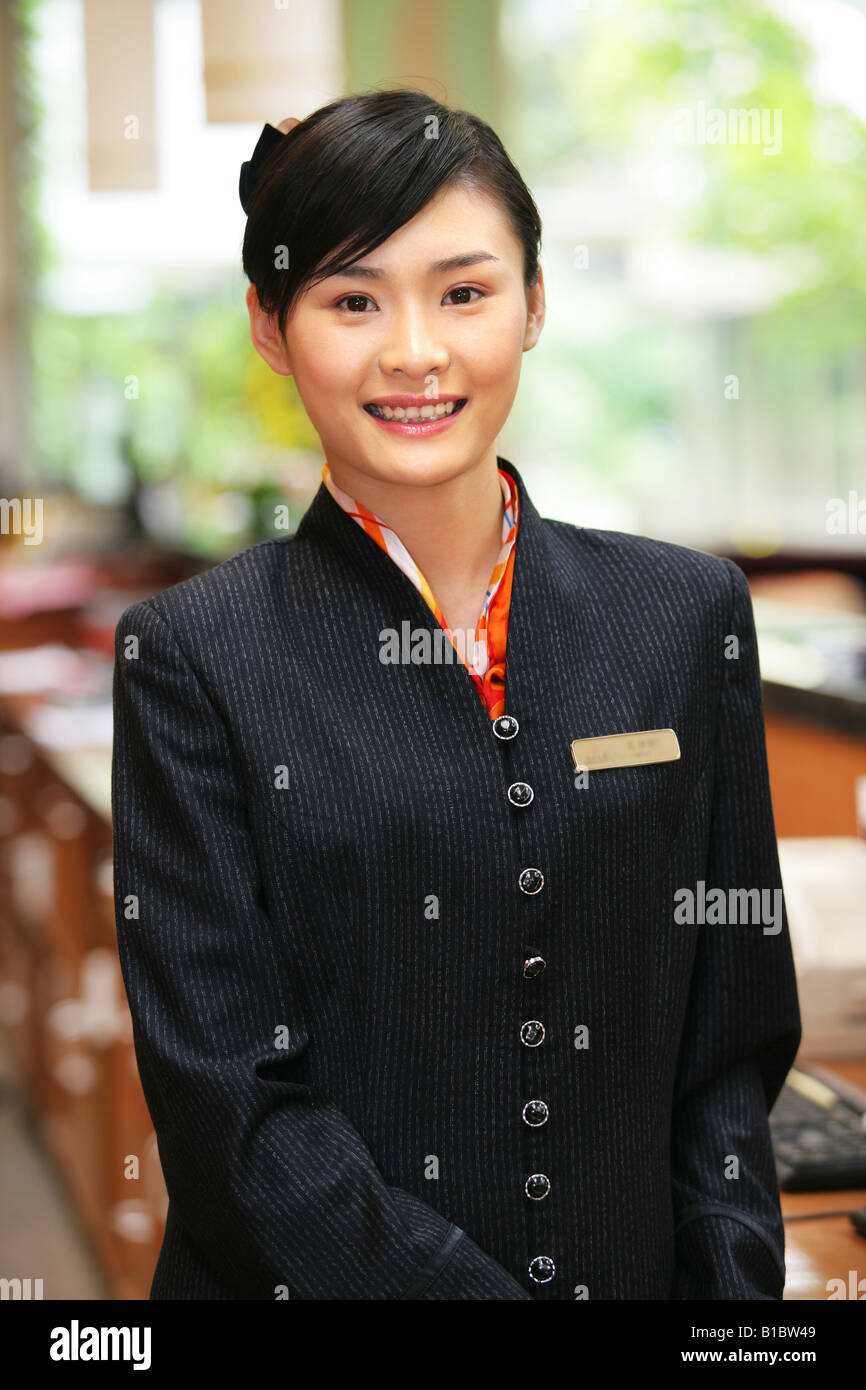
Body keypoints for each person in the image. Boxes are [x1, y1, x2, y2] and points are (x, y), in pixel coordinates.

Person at [111, 88, 801, 1300]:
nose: (413, 352)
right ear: (272, 328)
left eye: (463, 291)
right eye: (350, 298)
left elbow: (726, 1052)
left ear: (534, 304)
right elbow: (235, 1110)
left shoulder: (683, 617)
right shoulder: (190, 657)